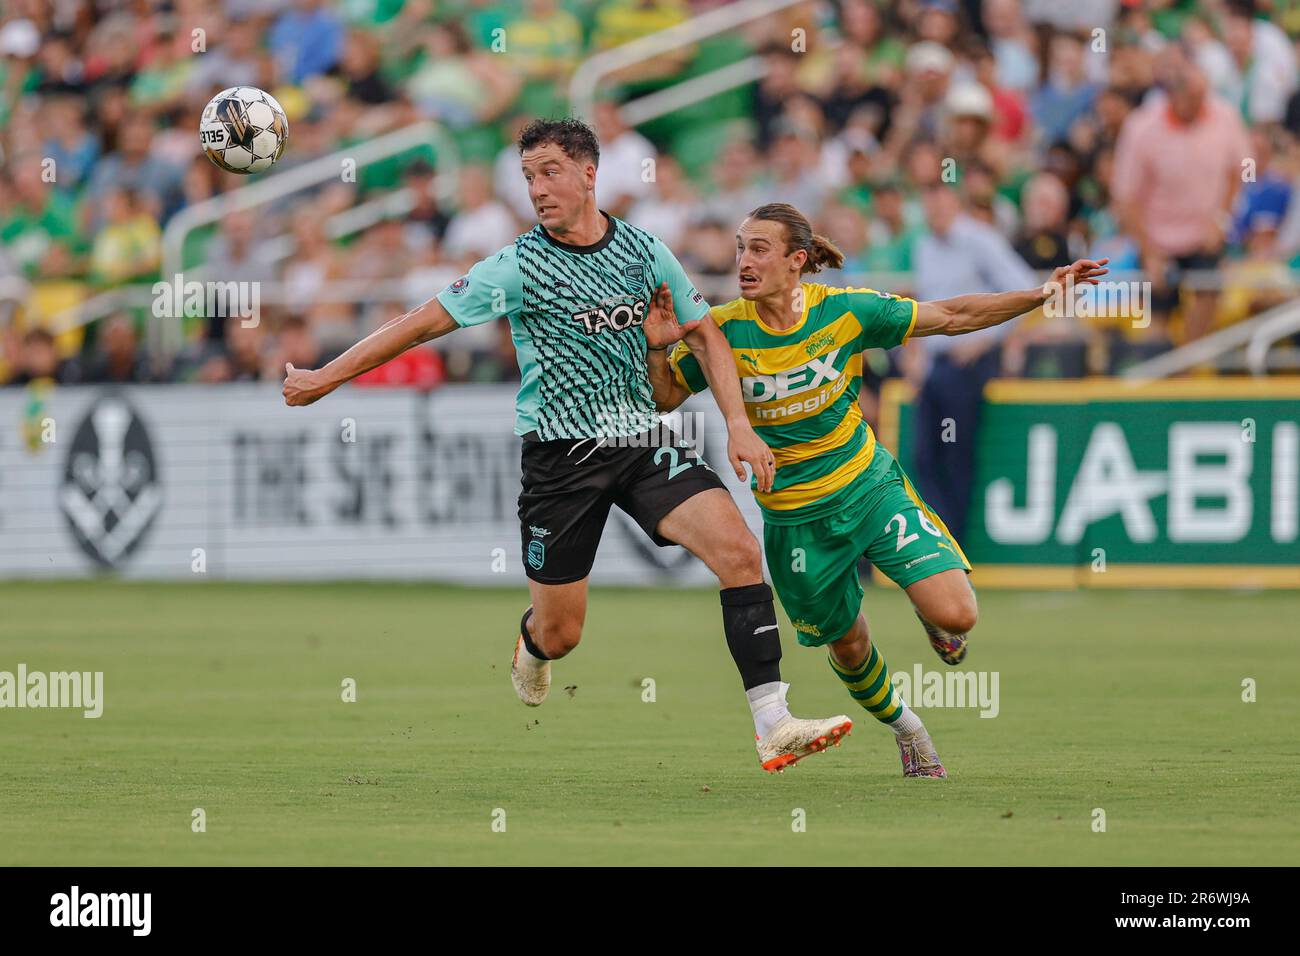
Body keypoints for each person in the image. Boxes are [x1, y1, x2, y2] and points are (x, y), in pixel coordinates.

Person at [284, 119, 851, 773]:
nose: (538, 189)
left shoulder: (642, 250)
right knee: (562, 633)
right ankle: (532, 645)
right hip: (560, 460)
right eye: (528, 177)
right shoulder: (518, 264)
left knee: (739, 550)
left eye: (550, 171)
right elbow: (422, 323)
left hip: (640, 442)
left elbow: (705, 336)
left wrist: (738, 424)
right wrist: (327, 377)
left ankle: (772, 723)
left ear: (589, 173)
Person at [647, 202, 1107, 777]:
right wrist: (659, 345)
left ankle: (929, 610)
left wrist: (1041, 294)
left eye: (760, 248)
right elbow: (665, 397)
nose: (744, 259)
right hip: (795, 520)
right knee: (848, 648)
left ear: (797, 261)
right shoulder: (721, 331)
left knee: (959, 614)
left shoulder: (847, 311)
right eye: (741, 246)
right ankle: (907, 728)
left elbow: (953, 315)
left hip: (867, 487)